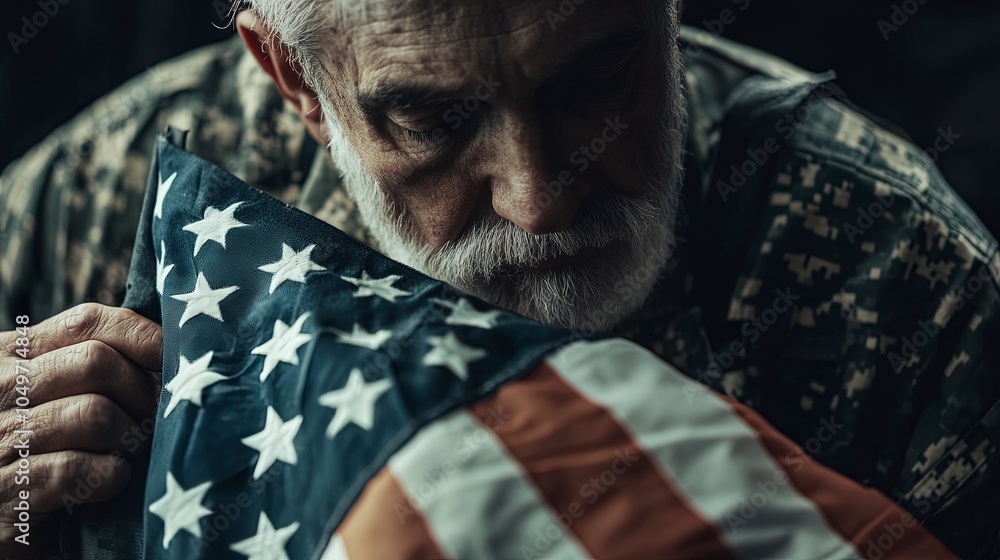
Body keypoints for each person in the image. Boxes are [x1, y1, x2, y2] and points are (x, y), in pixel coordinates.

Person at [0, 1, 995, 557]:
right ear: (292, 79)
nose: (537, 196)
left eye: (595, 81)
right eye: (434, 121)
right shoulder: (106, 189)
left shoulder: (901, 278)